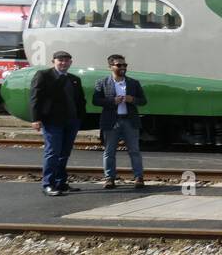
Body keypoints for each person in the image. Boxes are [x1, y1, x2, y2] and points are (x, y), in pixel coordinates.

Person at [29, 50, 85, 196]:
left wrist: (80, 118)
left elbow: (80, 100)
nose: (63, 63)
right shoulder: (44, 75)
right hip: (52, 121)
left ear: (70, 63)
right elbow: (36, 98)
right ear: (53, 61)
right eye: (60, 60)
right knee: (52, 152)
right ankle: (48, 184)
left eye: (66, 60)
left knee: (64, 153)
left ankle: (61, 182)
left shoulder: (74, 79)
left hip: (72, 121)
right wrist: (36, 118)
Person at [92, 54, 147, 189]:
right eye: (119, 65)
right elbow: (95, 101)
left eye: (124, 65)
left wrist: (132, 99)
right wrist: (112, 101)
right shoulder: (102, 82)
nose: (123, 67)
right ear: (111, 67)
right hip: (111, 122)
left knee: (134, 150)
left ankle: (138, 177)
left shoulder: (133, 83)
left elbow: (143, 101)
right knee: (109, 151)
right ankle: (109, 178)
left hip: (130, 121)